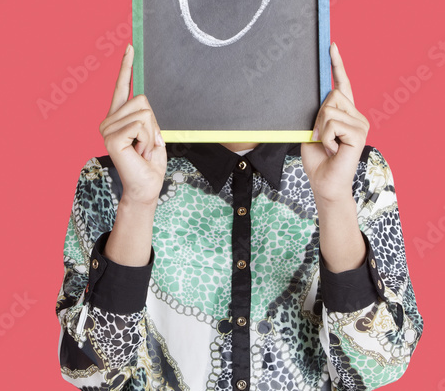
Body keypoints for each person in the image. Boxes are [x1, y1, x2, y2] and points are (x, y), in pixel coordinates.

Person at [56, 42, 423, 390]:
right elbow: (93, 376)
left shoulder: (358, 174)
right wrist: (136, 201)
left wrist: (334, 200)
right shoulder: (110, 179)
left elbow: (378, 368)